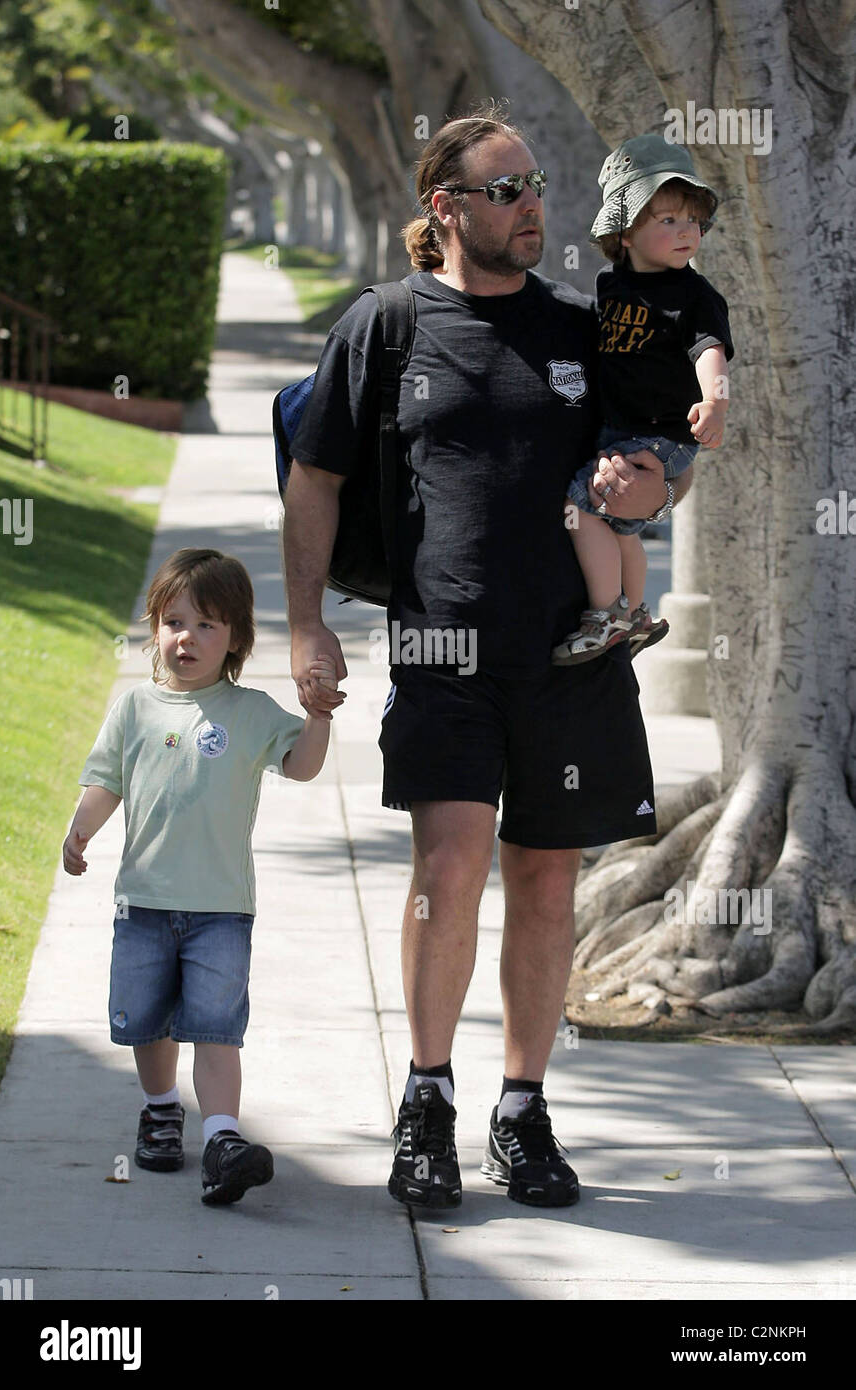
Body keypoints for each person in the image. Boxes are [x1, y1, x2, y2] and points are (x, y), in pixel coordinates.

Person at [282, 107, 691, 1210]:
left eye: (535, 188)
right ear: (444, 204)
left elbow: (656, 468)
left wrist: (646, 486)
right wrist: (306, 621)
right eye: (502, 189)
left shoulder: (577, 332)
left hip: (570, 654)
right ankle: (426, 1101)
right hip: (440, 647)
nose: (528, 207)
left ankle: (520, 1108)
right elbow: (316, 477)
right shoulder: (385, 326)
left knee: (547, 879)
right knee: (449, 869)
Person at [62, 547, 337, 1205]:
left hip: (221, 909)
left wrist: (320, 716)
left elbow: (300, 765)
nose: (187, 637)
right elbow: (106, 781)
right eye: (175, 622)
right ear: (156, 628)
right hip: (145, 902)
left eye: (208, 625)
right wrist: (79, 831)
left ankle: (221, 1138)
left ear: (236, 638)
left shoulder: (249, 712)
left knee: (216, 1026)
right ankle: (161, 1109)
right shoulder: (135, 709)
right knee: (148, 1022)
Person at [553, 134, 733, 663]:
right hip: (623, 430)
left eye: (692, 220)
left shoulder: (695, 294)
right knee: (618, 521)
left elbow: (709, 351)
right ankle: (634, 610)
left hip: (662, 433)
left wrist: (715, 401)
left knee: (579, 506)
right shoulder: (610, 285)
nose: (687, 232)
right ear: (625, 231)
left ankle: (605, 611)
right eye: (668, 220)